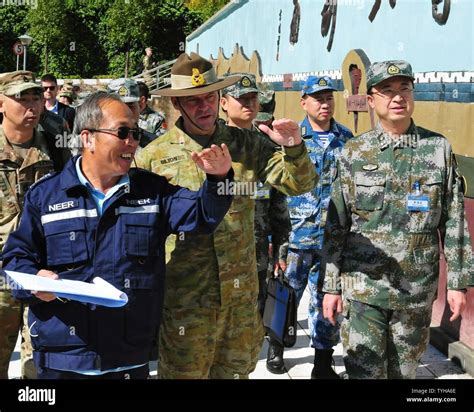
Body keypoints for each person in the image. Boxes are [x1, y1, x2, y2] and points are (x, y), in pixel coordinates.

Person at [2, 91, 234, 379]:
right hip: (64, 361)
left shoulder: (152, 192)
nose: (132, 142)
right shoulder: (45, 196)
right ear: (87, 138)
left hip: (129, 359)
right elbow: (14, 260)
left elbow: (202, 216)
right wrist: (36, 282)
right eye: (123, 132)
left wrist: (219, 179)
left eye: (136, 133)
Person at [136, 52, 316, 379]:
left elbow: (299, 184)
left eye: (209, 97)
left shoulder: (246, 145)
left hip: (239, 301)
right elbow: (140, 234)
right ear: (177, 105)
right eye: (192, 101)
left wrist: (294, 147)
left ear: (219, 97)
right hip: (186, 304)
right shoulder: (153, 157)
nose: (203, 107)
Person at [322, 60, 473, 379]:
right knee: (364, 372)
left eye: (404, 88)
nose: (397, 97)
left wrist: (458, 283)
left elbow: (455, 220)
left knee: (404, 374)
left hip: (415, 292)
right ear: (372, 99)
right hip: (364, 289)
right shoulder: (354, 152)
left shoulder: (437, 150)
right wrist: (331, 287)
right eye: (387, 90)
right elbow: (336, 227)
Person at [271, 76, 353, 377]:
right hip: (295, 236)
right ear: (303, 102)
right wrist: (275, 237)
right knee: (286, 295)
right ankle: (277, 348)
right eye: (317, 98)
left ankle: (322, 362)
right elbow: (276, 190)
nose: (324, 103)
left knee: (326, 299)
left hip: (331, 238)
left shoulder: (346, 138)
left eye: (329, 97)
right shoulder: (290, 138)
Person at [0, 71, 70, 379]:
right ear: (1, 104)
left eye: (35, 98)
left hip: (44, 271)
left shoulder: (55, 139)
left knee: (41, 367)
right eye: (20, 99)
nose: (31, 106)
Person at [220, 74, 291, 317]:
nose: (248, 105)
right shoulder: (212, 146)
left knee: (253, 320)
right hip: (217, 256)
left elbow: (279, 206)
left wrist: (281, 250)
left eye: (252, 99)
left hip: (256, 253)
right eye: (241, 99)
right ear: (224, 103)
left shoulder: (266, 150)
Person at [107, 78, 157, 148]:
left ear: (139, 106)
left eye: (130, 105)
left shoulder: (154, 144)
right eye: (119, 106)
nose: (126, 111)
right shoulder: (95, 141)